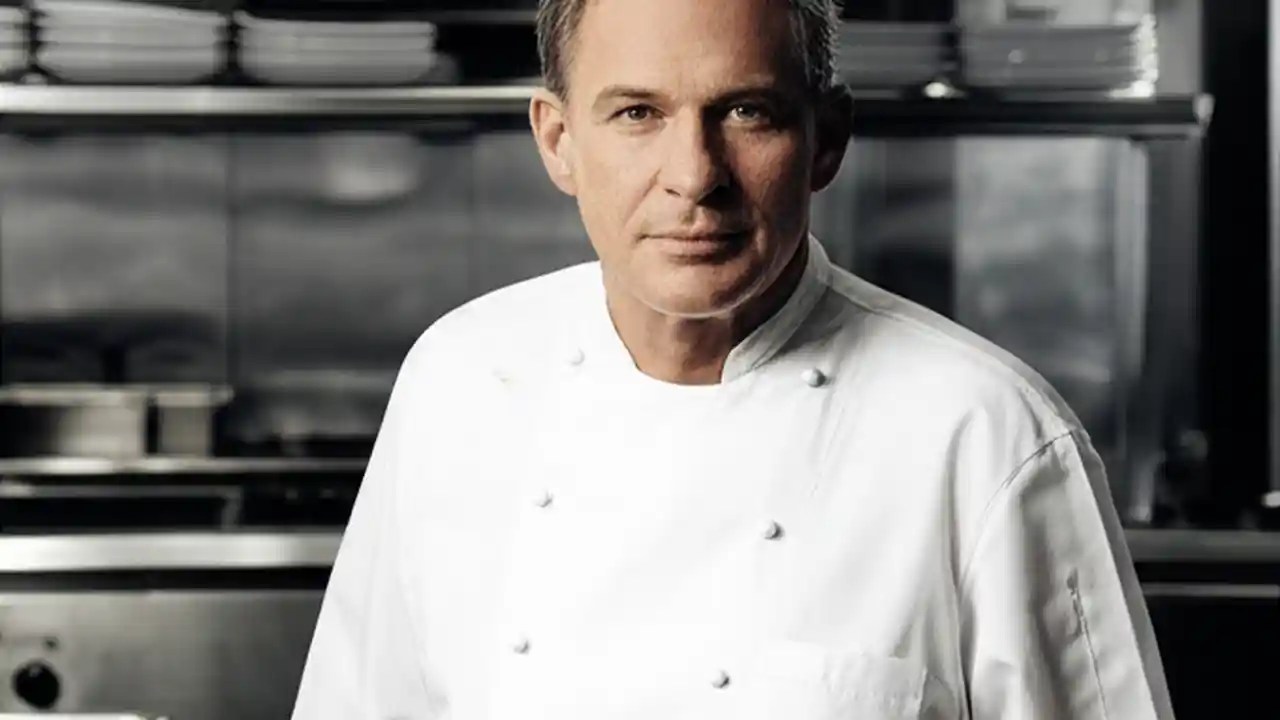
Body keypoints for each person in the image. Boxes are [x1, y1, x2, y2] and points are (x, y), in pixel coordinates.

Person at [291, 0, 1175, 717]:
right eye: (638, 113)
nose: (694, 175)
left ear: (826, 139)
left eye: (746, 111)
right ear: (558, 141)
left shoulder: (985, 433)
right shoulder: (459, 381)